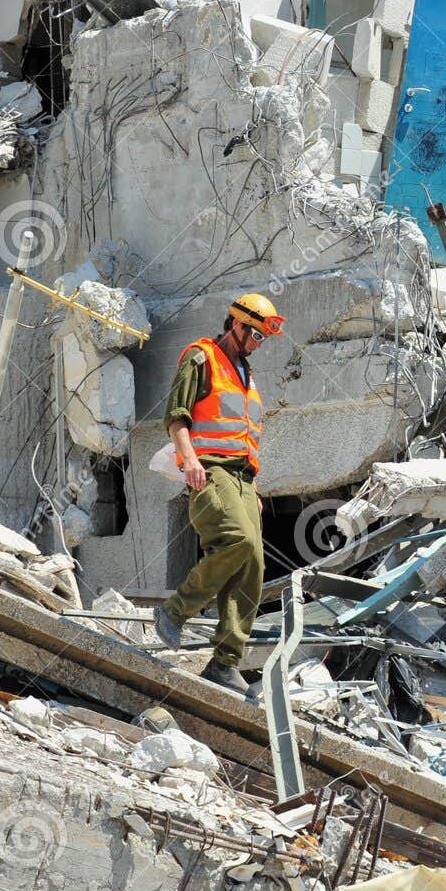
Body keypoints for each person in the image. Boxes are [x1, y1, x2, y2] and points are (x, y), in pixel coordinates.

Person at [154, 293, 285, 693]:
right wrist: (189, 460)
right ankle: (176, 610)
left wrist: (255, 488)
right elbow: (177, 416)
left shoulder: (247, 376)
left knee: (254, 566)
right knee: (238, 541)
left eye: (263, 338)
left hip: (244, 480)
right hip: (210, 470)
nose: (259, 344)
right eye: (256, 335)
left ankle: (224, 663)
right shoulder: (202, 357)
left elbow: (244, 438)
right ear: (237, 325)